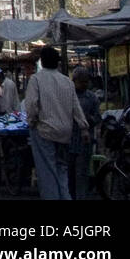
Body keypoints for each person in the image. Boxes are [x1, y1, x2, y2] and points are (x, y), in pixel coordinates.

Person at [22, 47, 88, 201]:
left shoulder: (36, 79)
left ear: (42, 62)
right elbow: (75, 107)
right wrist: (84, 128)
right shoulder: (67, 81)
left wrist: (32, 122)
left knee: (47, 172)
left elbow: (31, 106)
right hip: (65, 132)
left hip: (44, 131)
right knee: (62, 170)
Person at [68, 67, 100, 200]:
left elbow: (98, 117)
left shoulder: (92, 97)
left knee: (82, 174)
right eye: (81, 82)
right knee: (69, 174)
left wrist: (88, 119)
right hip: (68, 141)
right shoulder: (67, 96)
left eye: (86, 82)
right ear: (74, 81)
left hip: (84, 142)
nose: (84, 85)